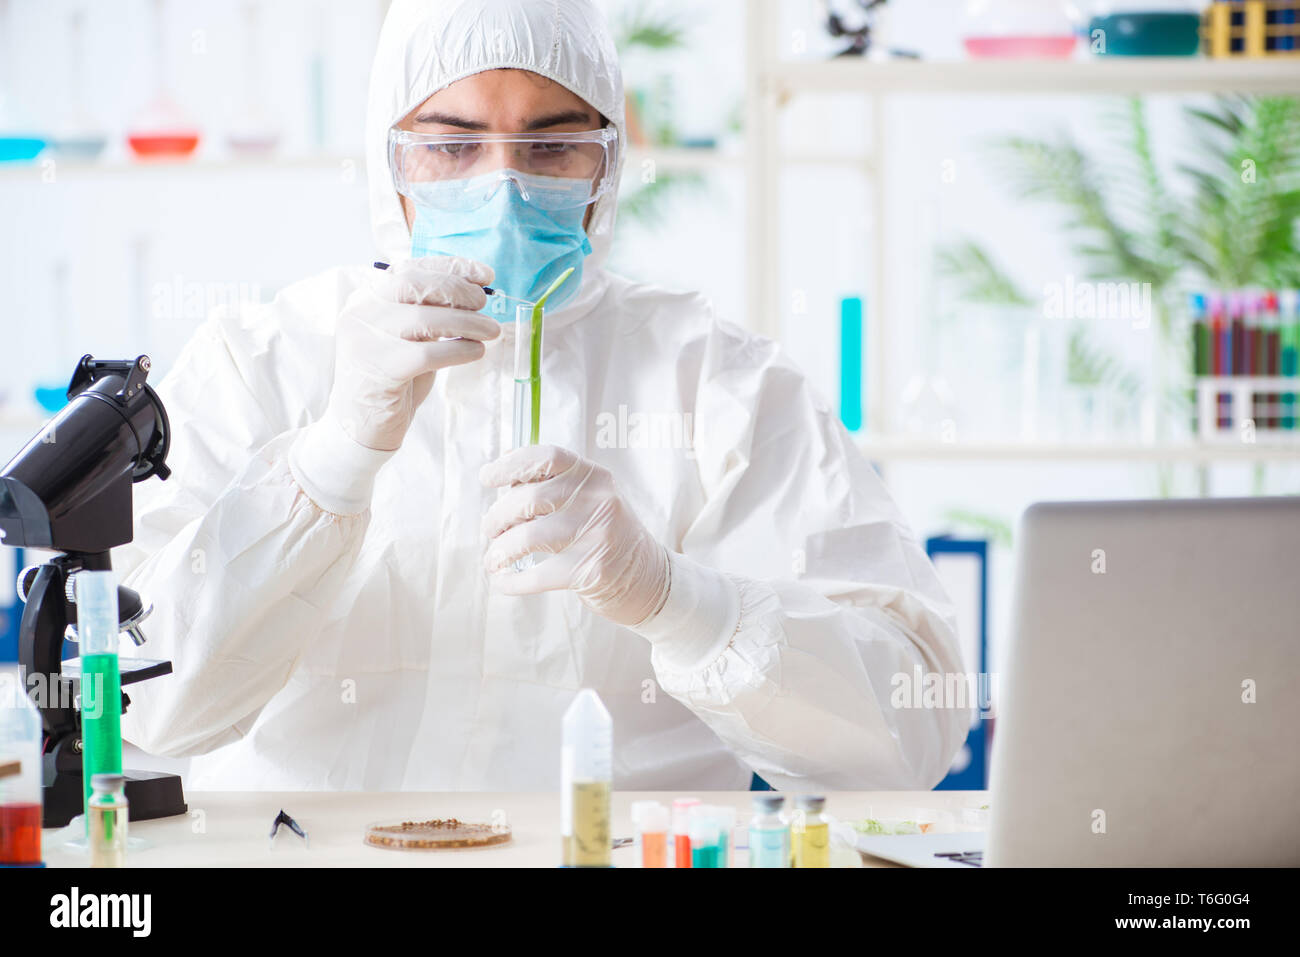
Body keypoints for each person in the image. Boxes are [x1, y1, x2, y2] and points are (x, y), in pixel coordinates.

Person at [116, 0, 969, 792]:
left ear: (609, 161)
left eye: (552, 146)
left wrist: (679, 601)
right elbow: (140, 708)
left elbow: (908, 734)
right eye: (452, 146)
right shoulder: (261, 361)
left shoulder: (719, 383)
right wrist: (329, 464)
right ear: (393, 162)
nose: (505, 189)